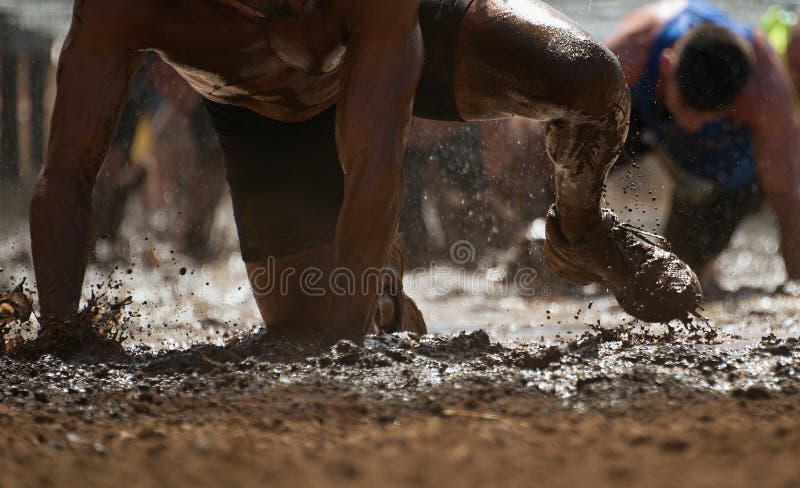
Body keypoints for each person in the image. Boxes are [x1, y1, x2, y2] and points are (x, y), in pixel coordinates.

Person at [30, 0, 701, 346]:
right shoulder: (124, 9)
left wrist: (349, 338)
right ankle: (385, 295)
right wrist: (58, 330)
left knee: (590, 81)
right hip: (268, 117)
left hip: (404, 36)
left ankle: (582, 231)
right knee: (308, 331)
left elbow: (375, 162)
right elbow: (67, 175)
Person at [604, 0, 800, 282]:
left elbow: (788, 198)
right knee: (553, 167)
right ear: (667, 64)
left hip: (721, 159)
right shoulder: (632, 53)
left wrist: (795, 284)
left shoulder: (763, 92)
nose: (693, 125)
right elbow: (553, 123)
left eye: (707, 116)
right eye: (686, 107)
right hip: (641, 115)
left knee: (678, 275)